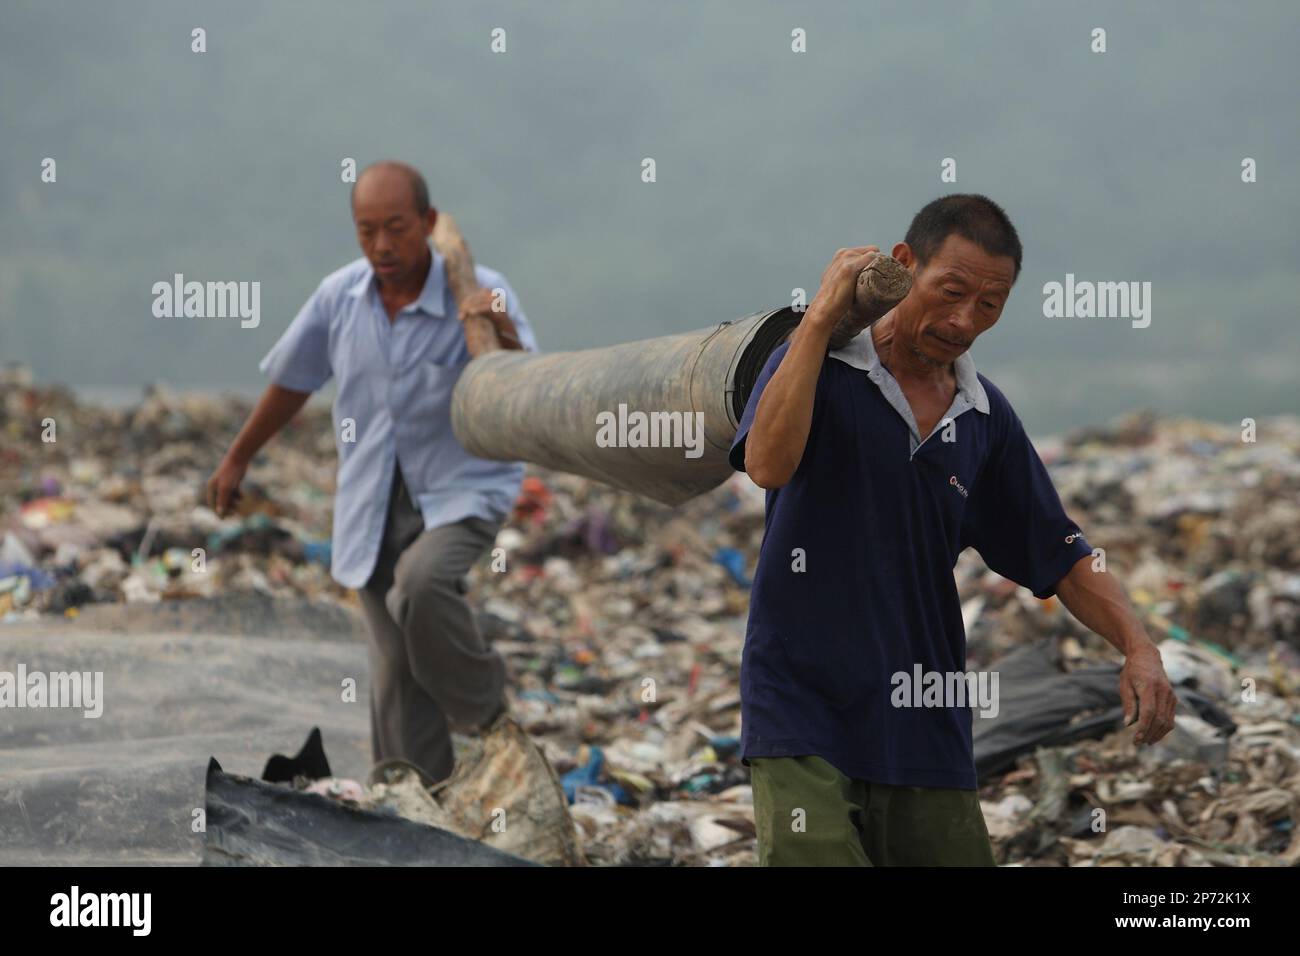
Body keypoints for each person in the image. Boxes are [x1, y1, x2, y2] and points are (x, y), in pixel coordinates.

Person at [729, 193, 1177, 866]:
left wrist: (1138, 647)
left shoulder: (983, 415)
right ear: (905, 265)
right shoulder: (814, 364)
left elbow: (1059, 551)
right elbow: (768, 463)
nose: (965, 320)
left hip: (924, 720)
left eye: (989, 305)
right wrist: (821, 318)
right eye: (952, 291)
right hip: (802, 705)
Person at [206, 160, 539, 784]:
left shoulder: (479, 291)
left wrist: (501, 331)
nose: (382, 246)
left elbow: (525, 389)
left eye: (396, 228)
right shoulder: (340, 297)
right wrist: (238, 456)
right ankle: (423, 804)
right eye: (366, 231)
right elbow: (293, 381)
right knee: (393, 672)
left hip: (461, 491)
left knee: (419, 583)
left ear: (429, 223)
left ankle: (486, 711)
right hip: (371, 500)